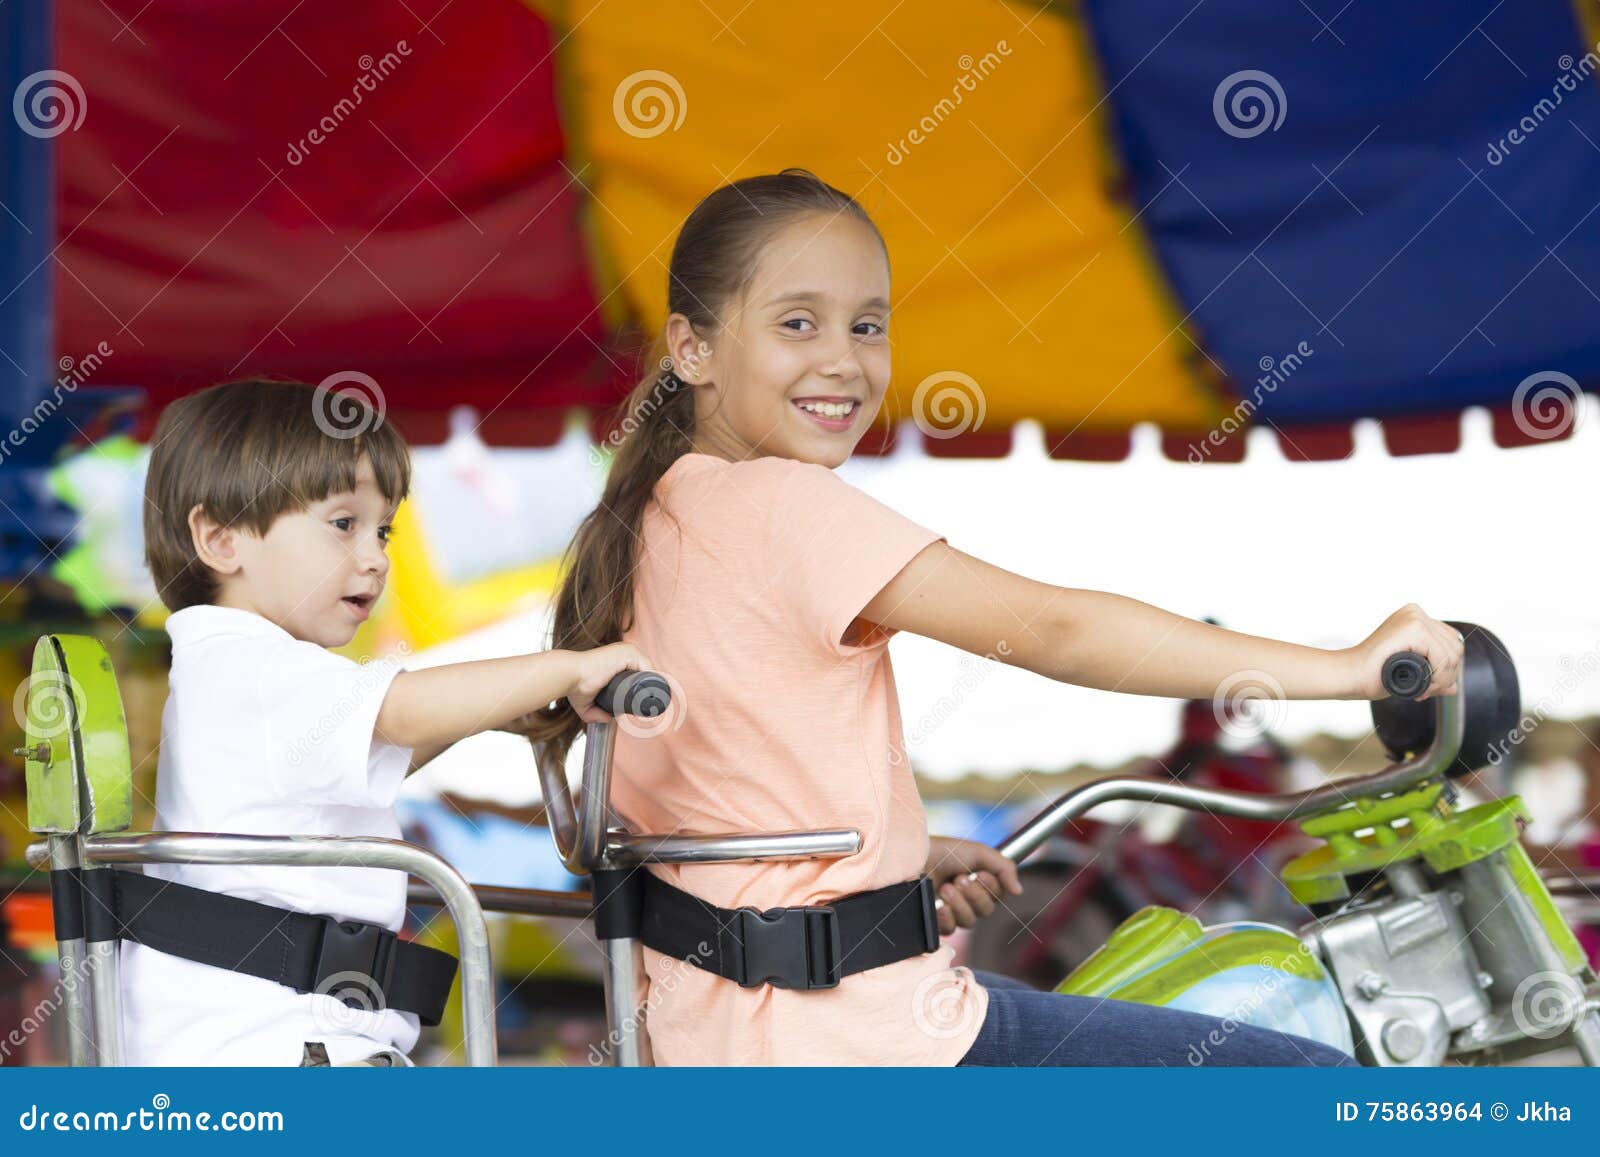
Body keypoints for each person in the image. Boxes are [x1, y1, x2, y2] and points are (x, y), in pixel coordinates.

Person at [525, 169, 1464, 1066]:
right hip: (864, 1042)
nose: (843, 361)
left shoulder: (650, 521)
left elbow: (718, 799)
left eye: (867, 325)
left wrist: (898, 860)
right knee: (1313, 1086)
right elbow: (1054, 629)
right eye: (796, 323)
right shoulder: (782, 503)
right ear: (691, 349)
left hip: (719, 1041)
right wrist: (1349, 668)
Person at [122, 379, 648, 1066]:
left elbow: (370, 750)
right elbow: (399, 708)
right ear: (221, 539)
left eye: (383, 529)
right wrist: (566, 667)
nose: (374, 557)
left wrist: (496, 709)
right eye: (342, 524)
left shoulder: (233, 672)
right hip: (281, 1053)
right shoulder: (255, 669)